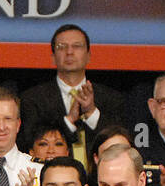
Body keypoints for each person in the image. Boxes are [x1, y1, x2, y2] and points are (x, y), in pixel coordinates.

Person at [20, 23, 123, 169]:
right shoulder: (32, 99)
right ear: (53, 57)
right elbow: (29, 145)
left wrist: (91, 112)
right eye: (61, 47)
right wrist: (69, 121)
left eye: (77, 46)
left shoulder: (112, 98)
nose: (69, 52)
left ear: (89, 56)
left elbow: (119, 144)